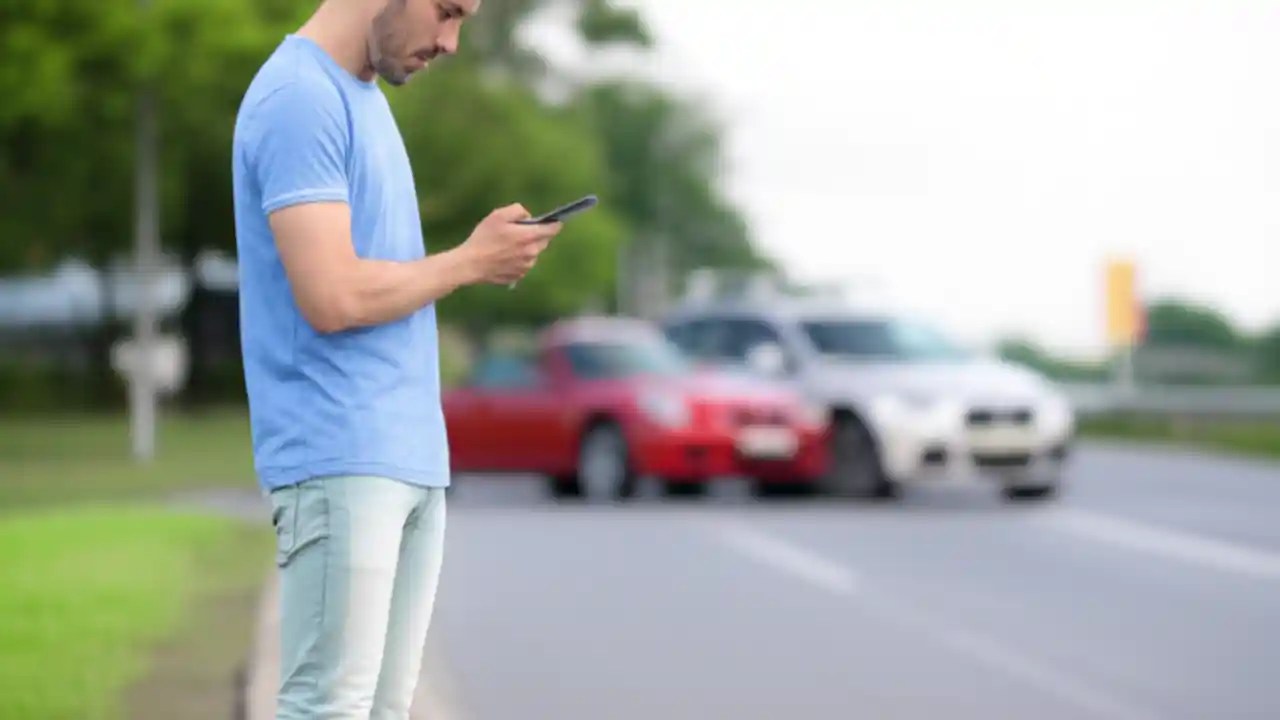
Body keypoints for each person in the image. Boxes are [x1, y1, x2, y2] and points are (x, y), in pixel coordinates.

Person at [231, 0, 561, 717]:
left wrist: (475, 258)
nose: (451, 42)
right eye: (446, 12)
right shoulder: (299, 98)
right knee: (328, 708)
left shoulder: (363, 98)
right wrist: (470, 261)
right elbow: (333, 295)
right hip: (338, 451)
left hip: (406, 456)